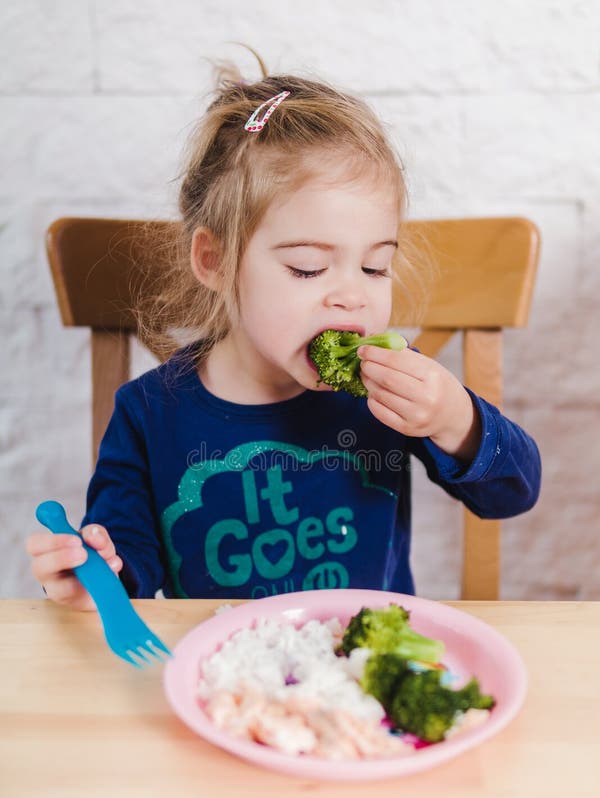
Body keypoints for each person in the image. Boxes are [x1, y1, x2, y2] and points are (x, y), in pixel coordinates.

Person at [26, 59, 541, 610]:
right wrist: (94, 576)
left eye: (374, 268)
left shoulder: (388, 393)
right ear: (216, 261)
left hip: (361, 676)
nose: (352, 295)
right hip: (227, 681)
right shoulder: (147, 412)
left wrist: (455, 420)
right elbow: (126, 556)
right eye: (307, 268)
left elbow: (513, 493)